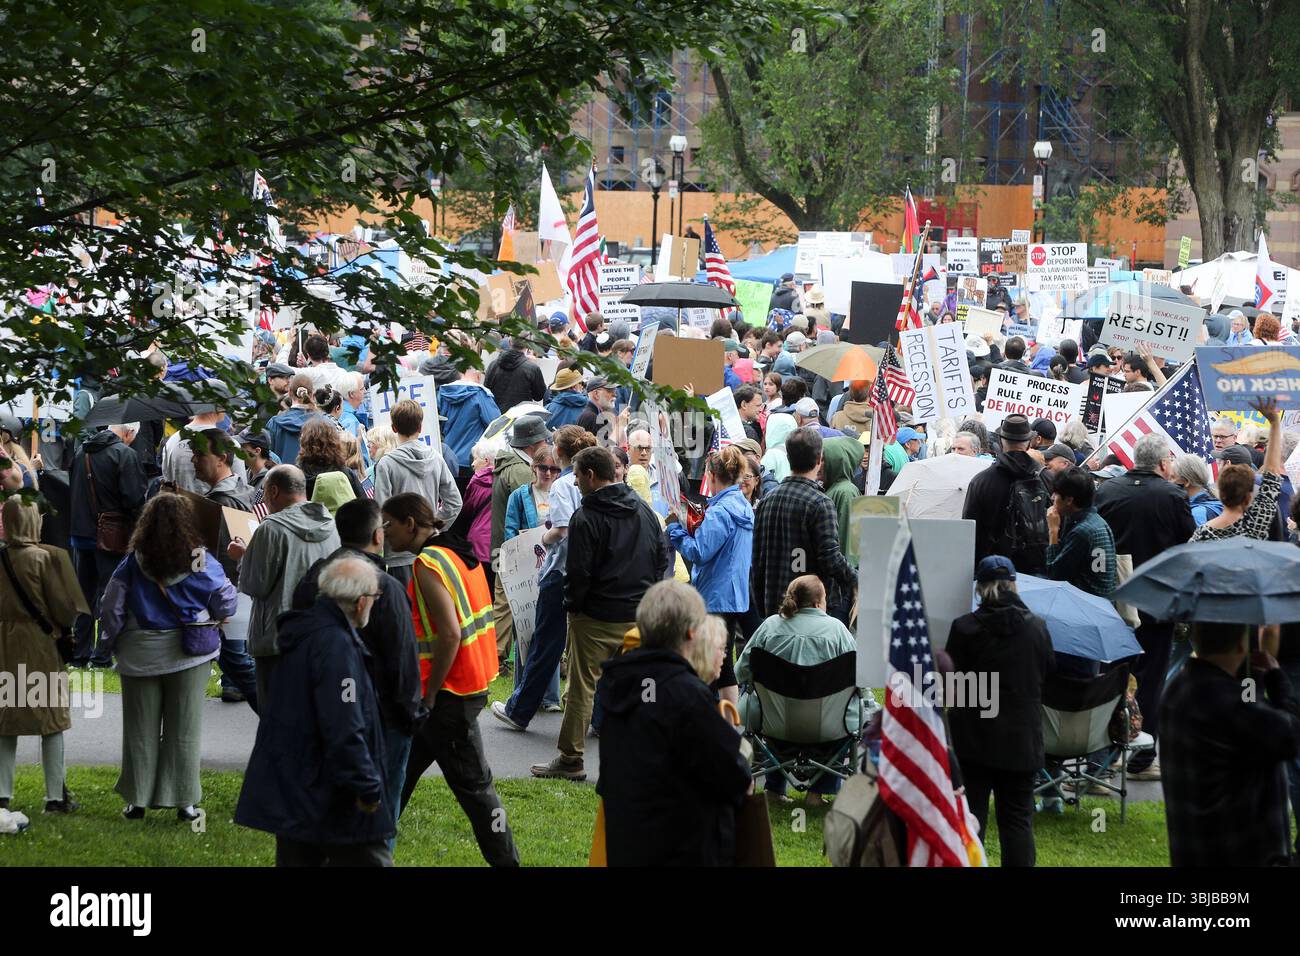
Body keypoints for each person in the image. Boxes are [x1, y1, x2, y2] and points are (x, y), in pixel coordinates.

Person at [379, 493, 518, 866]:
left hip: (447, 698)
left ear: (410, 524)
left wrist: (428, 697)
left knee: (477, 791)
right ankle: (364, 850)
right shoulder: (457, 552)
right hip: (465, 686)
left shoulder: (428, 564)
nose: (384, 532)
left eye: (388, 524)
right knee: (394, 776)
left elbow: (450, 634)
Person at [235, 556, 394, 866]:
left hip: (296, 787)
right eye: (375, 597)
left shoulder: (305, 634)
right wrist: (367, 786)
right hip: (327, 791)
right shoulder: (337, 647)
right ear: (361, 602)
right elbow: (344, 725)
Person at [532, 446, 670, 781]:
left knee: (582, 688)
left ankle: (571, 758)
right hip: (637, 614)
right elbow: (661, 557)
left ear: (591, 476)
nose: (575, 483)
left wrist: (574, 606)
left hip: (595, 617)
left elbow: (578, 572)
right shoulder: (643, 509)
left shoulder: (586, 517)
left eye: (577, 476)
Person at [291, 500, 421, 851]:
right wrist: (409, 716)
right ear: (378, 535)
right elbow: (402, 661)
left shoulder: (314, 579)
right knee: (379, 815)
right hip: (381, 720)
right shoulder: (384, 587)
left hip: (324, 714)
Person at [98, 493, 236, 822]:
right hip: (189, 653)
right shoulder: (198, 559)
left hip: (139, 652)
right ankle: (184, 802)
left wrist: (108, 644)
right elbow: (225, 600)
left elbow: (111, 608)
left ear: (145, 524)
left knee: (139, 730)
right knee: (184, 729)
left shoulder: (134, 561)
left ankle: (137, 801)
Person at [595, 579, 752, 866]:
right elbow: (734, 772)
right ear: (692, 632)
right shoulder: (685, 694)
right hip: (681, 849)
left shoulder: (619, 683)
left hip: (627, 846)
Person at [1095, 432, 1196, 777]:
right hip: (1156, 602)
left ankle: (1105, 756)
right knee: (1151, 681)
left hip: (1114, 600)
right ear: (1164, 464)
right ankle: (1142, 758)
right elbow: (1188, 547)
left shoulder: (1107, 491)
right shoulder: (1172, 496)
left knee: (1112, 676)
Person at [1160, 621, 1300, 866]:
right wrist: (1276, 678)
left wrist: (1255, 679)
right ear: (1241, 644)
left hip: (1194, 852)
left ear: (1197, 639)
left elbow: (1250, 724)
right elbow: (1291, 734)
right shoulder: (1232, 705)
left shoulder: (1178, 689)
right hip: (1242, 854)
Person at [946, 556, 1054, 867]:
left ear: (980, 589)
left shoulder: (964, 628)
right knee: (1017, 821)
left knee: (971, 820)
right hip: (1021, 740)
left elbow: (952, 684)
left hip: (974, 740)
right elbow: (1048, 674)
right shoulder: (1037, 628)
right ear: (1014, 585)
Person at [491, 425, 595, 738]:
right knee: (587, 646)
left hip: (559, 571)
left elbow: (561, 531)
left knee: (544, 644)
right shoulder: (592, 483)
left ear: (558, 452)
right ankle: (597, 716)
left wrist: (542, 538)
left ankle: (519, 710)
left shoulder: (564, 485)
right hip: (588, 572)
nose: (549, 472)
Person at [735, 575, 863, 806]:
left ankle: (774, 789)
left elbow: (740, 671)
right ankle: (816, 793)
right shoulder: (838, 630)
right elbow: (860, 680)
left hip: (773, 724)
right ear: (818, 603)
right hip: (829, 726)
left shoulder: (769, 627)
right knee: (844, 709)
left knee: (766, 705)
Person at [0, 498, 89, 817]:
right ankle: (55, 796)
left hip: (5, 643)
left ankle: (2, 794)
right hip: (41, 643)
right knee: (51, 720)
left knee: (6, 720)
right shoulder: (45, 559)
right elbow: (64, 608)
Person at [230, 464, 341, 709]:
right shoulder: (329, 524)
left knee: (276, 716)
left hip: (276, 638)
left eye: (265, 492)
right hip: (319, 635)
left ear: (273, 491)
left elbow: (255, 585)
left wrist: (243, 558)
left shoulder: (271, 528)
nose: (264, 500)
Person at [666, 446, 755, 707]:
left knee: (711, 663)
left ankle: (713, 720)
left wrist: (675, 530)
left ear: (712, 476)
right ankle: (728, 721)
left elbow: (699, 552)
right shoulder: (742, 504)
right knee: (723, 663)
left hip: (715, 596)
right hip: (733, 595)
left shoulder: (720, 511)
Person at [751, 427, 856, 621]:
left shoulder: (767, 500)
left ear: (788, 457)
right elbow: (830, 558)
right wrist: (857, 579)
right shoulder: (820, 503)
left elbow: (757, 559)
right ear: (819, 460)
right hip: (810, 609)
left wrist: (760, 604)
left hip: (772, 607)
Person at [68, 421, 148, 668]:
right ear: (129, 432)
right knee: (110, 596)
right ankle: (102, 655)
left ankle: (80, 653)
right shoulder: (124, 454)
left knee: (84, 595)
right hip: (111, 537)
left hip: (81, 533)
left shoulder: (81, 451)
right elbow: (133, 497)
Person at [190, 428, 259, 708]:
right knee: (235, 658)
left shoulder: (221, 501)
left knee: (236, 660)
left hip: (226, 595)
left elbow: (215, 559)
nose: (194, 460)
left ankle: (277, 715)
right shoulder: (242, 489)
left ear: (221, 458)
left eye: (200, 454)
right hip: (238, 592)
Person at [372, 398, 462, 585]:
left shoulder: (386, 464)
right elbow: (455, 502)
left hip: (399, 553)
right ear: (420, 427)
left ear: (393, 428)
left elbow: (381, 510)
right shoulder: (436, 458)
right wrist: (432, 526)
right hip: (430, 548)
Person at [504, 442, 563, 712]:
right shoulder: (520, 496)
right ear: (533, 467)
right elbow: (509, 532)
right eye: (543, 468)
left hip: (553, 568)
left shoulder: (562, 493)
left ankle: (550, 697)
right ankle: (522, 690)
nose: (548, 473)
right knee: (525, 631)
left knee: (550, 631)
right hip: (526, 571)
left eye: (554, 469)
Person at [961, 414, 1050, 574]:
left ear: (1001, 442)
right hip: (1036, 569)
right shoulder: (1046, 478)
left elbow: (969, 531)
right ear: (1029, 443)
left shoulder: (981, 481)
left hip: (994, 570)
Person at [1192, 398, 1282, 542]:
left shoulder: (1203, 534)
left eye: (1222, 436)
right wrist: (1275, 423)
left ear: (1220, 493)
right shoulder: (1258, 524)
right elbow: (1272, 473)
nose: (1217, 440)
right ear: (1248, 497)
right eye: (1215, 436)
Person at [1045, 466, 1116, 596]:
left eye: (1056, 494)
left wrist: (1053, 531)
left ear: (1069, 500)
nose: (1052, 497)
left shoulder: (1082, 532)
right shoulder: (1096, 521)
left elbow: (1055, 575)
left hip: (1085, 601)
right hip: (1099, 599)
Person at [438, 366, 499, 478]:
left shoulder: (442, 393)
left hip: (447, 457)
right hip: (472, 459)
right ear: (478, 374)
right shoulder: (481, 394)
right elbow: (496, 425)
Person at [266, 374, 327, 466]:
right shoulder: (325, 423)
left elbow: (267, 456)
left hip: (283, 473)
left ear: (289, 392)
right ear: (312, 394)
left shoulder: (274, 423)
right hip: (317, 474)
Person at [484, 339, 546, 413]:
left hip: (495, 414)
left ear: (510, 342)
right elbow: (539, 396)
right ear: (528, 345)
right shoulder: (532, 369)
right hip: (520, 416)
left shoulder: (493, 365)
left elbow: (486, 391)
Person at [1171, 453, 1223, 525]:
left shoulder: (1196, 515)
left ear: (1186, 482)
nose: (1167, 481)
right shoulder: (1213, 501)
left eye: (1172, 477)